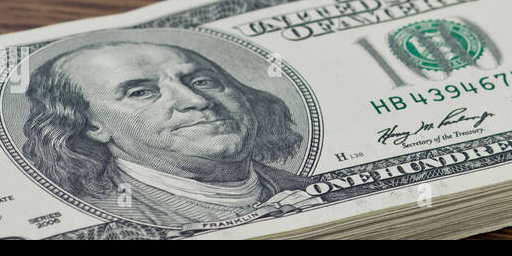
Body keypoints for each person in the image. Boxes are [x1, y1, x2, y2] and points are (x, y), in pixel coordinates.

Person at [22, 40, 317, 229]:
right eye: (140, 92)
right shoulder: (113, 216)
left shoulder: (311, 186)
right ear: (91, 125)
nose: (196, 100)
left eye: (203, 81)